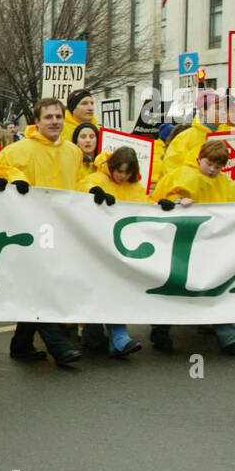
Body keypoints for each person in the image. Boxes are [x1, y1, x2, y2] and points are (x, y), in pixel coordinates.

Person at [0, 98, 84, 367]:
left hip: (63, 228)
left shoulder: (73, 151)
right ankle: (59, 347)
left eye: (58, 116)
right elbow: (0, 174)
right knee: (42, 286)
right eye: (48, 117)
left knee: (45, 284)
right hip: (30, 230)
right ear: (37, 121)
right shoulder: (17, 151)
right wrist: (16, 179)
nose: (54, 121)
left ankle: (21, 345)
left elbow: (79, 183)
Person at [152, 139, 235, 358]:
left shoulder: (225, 183)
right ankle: (160, 329)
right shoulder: (183, 175)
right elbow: (162, 198)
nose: (212, 170)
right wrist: (177, 199)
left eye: (217, 167)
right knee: (176, 290)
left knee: (219, 289)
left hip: (212, 249)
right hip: (182, 246)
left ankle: (232, 339)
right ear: (200, 158)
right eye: (209, 164)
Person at [77, 146, 150, 359]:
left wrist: (162, 206)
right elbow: (84, 188)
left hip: (121, 249)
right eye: (119, 171)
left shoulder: (135, 187)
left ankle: (109, 338)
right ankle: (116, 339)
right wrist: (94, 193)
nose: (122, 176)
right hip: (97, 246)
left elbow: (145, 207)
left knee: (111, 290)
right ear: (112, 167)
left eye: (127, 172)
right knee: (106, 289)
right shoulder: (98, 178)